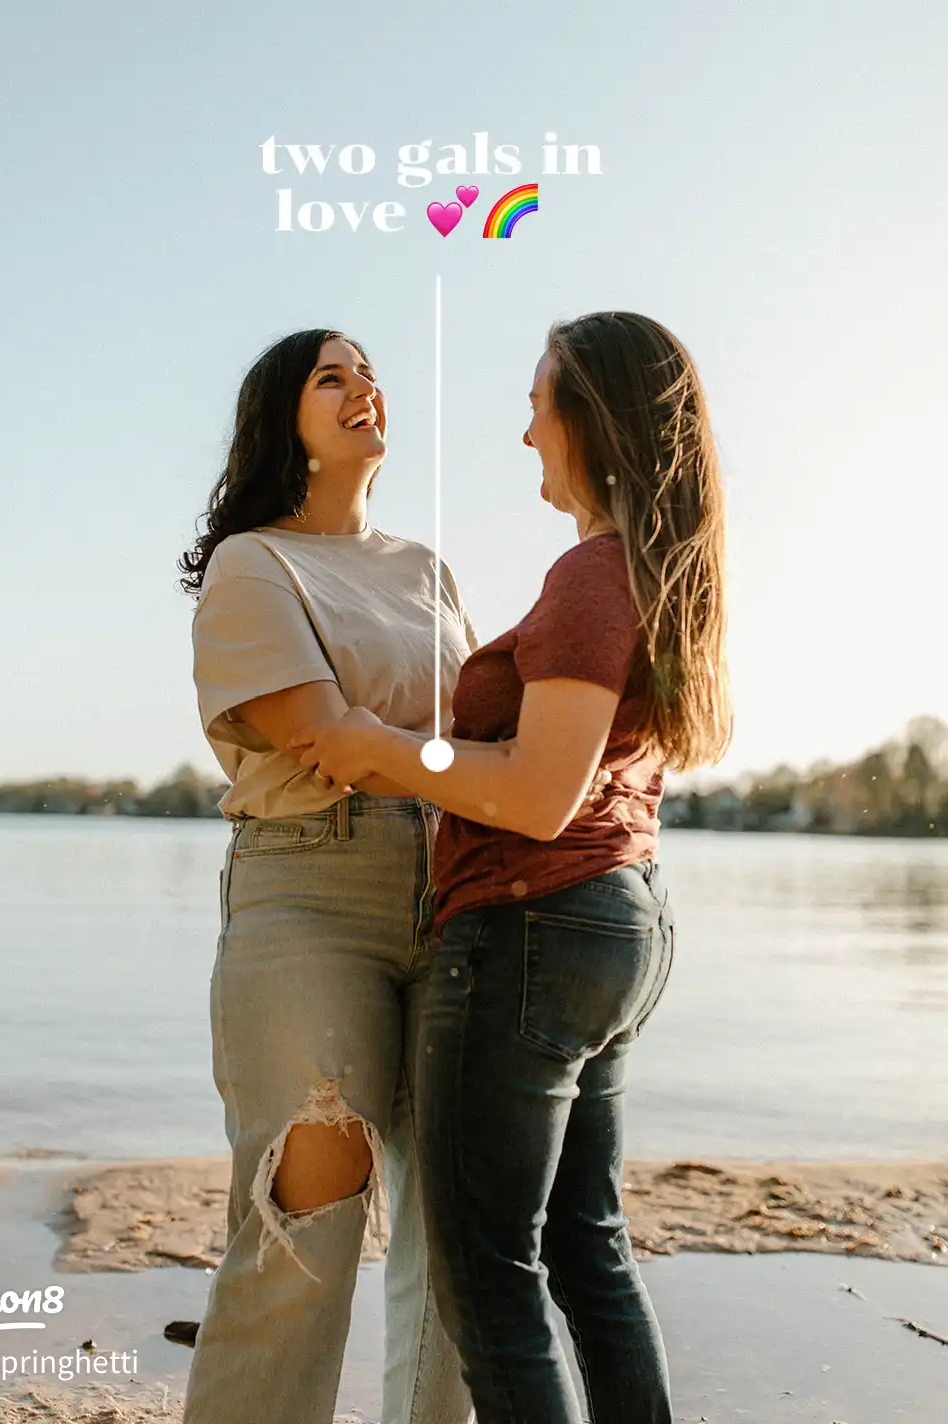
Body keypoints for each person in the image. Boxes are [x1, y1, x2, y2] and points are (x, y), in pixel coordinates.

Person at [291, 310, 732, 1424]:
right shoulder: (651, 571)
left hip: (535, 927)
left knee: (488, 1272)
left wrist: (385, 748)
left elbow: (537, 790)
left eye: (538, 402)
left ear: (588, 418)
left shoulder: (592, 574)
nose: (525, 430)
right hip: (613, 922)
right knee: (585, 1247)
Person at [175, 329, 478, 1424]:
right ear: (281, 422)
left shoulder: (428, 569)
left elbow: (467, 736)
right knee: (302, 1232)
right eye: (331, 375)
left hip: (456, 893)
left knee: (454, 1246)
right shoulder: (253, 562)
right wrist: (468, 763)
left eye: (369, 371)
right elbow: (323, 736)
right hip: (310, 891)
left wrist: (466, 764)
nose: (365, 389)